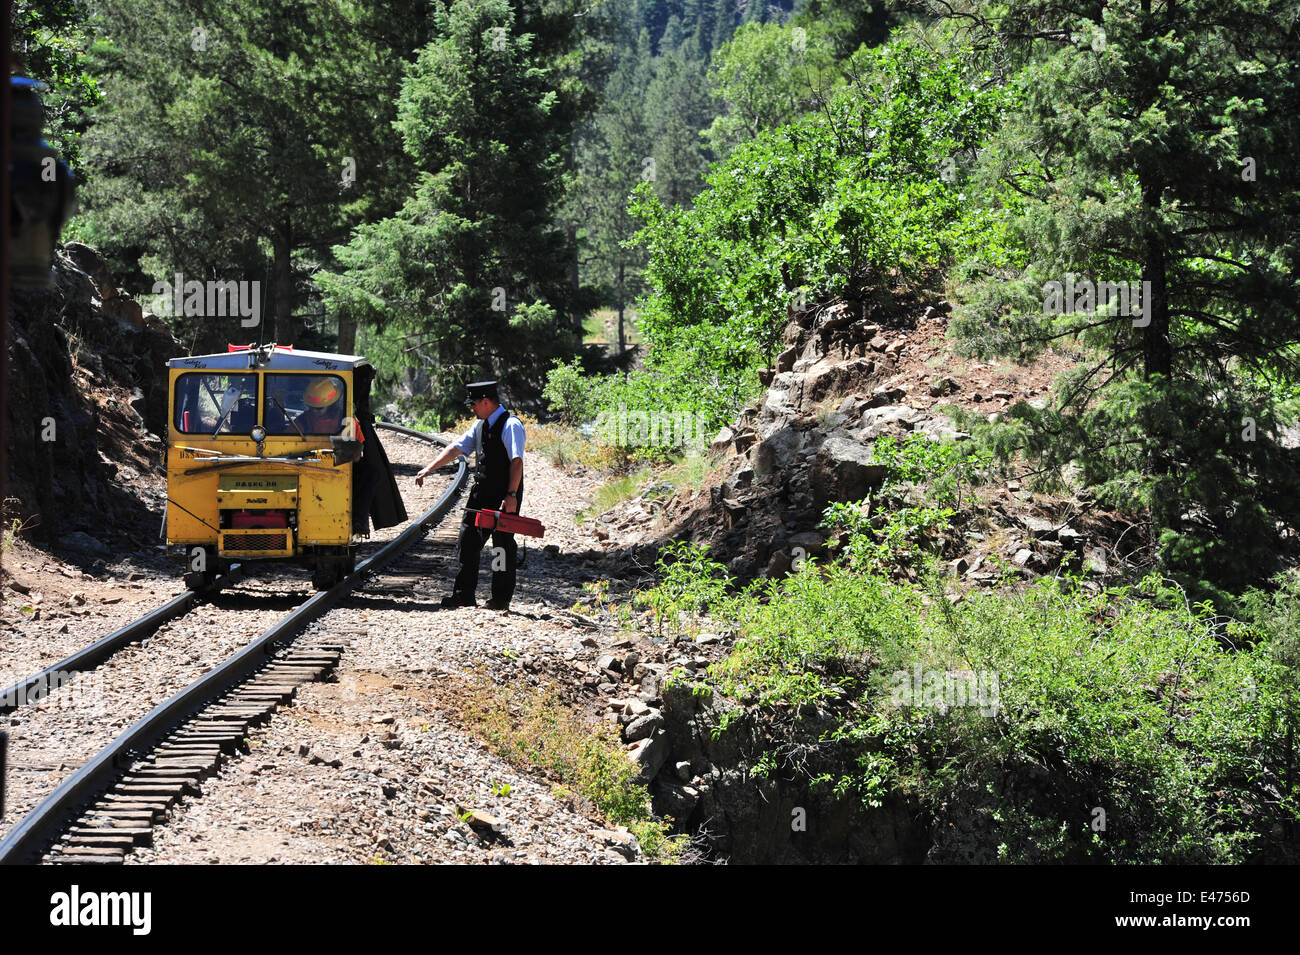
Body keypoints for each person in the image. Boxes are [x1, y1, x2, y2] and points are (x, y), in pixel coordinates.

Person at [415, 380, 526, 610]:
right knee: (468, 542)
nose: (472, 408)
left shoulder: (511, 425)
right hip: (481, 494)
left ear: (486, 402)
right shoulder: (480, 425)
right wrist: (429, 468)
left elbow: (517, 462)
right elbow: (456, 448)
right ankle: (464, 594)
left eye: (474, 404)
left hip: (504, 497)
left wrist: (512, 494)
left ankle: (500, 598)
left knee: (501, 547)